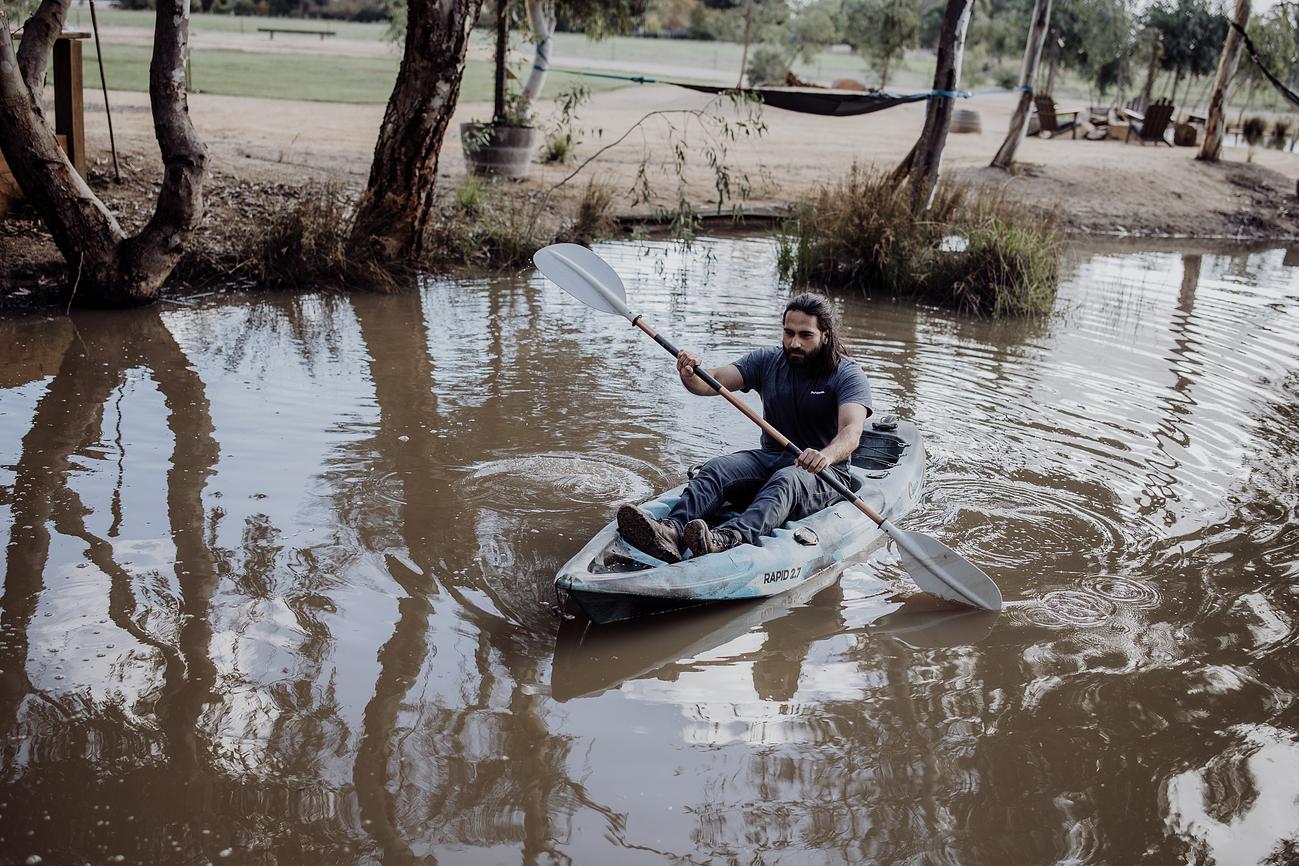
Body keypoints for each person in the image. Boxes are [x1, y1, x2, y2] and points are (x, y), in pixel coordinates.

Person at [617, 292, 873, 562]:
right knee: (717, 467)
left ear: (825, 335)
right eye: (788, 333)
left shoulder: (847, 374)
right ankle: (670, 531)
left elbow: (851, 432)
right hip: (772, 458)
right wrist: (688, 374)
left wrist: (825, 455)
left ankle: (727, 539)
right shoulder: (767, 361)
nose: (794, 342)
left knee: (787, 479)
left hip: (825, 475)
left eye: (805, 335)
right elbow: (712, 381)